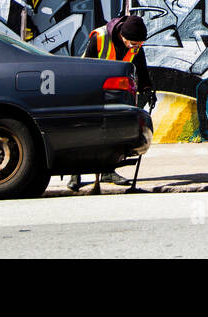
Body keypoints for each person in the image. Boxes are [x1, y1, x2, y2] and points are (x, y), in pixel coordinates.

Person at [66, 13, 157, 192]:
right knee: (85, 132)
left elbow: (141, 66)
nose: (136, 47)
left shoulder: (135, 43)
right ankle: (75, 172)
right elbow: (85, 69)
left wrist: (147, 88)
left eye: (140, 45)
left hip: (115, 93)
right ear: (123, 36)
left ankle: (108, 171)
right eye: (133, 44)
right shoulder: (99, 38)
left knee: (112, 133)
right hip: (90, 91)